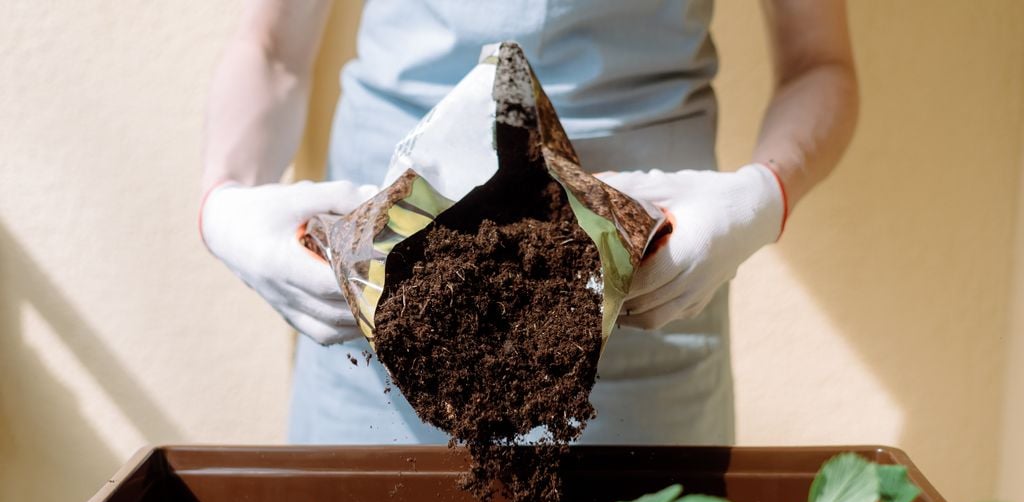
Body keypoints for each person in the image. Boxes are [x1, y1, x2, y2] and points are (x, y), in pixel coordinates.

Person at [200, 0, 858, 446]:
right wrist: (225, 202)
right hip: (382, 303)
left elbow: (817, 63)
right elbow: (274, 45)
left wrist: (764, 193)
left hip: (646, 293)